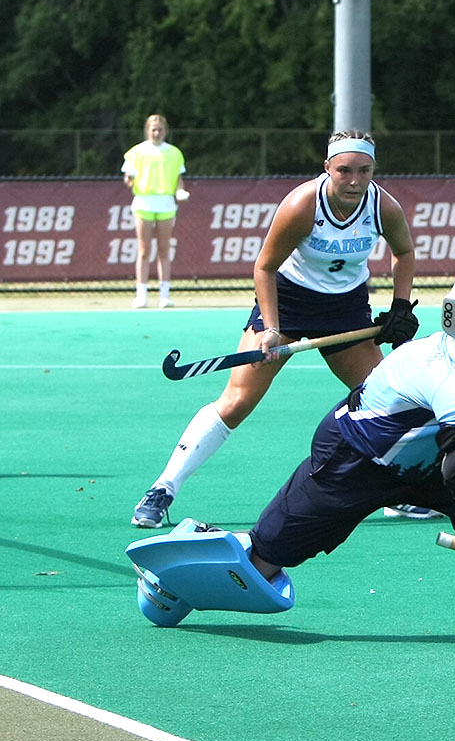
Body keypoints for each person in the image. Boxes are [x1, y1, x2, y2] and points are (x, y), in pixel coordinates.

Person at [127, 260, 455, 625]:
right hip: (352, 462)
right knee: (262, 565)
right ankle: (178, 569)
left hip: (425, 462)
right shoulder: (453, 376)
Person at [132, 129, 419, 529]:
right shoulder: (303, 204)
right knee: (237, 401)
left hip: (345, 309)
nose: (355, 180)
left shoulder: (382, 206)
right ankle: (163, 489)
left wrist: (400, 305)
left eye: (364, 170)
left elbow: (404, 252)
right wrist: (270, 327)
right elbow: (264, 267)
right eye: (344, 170)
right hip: (287, 302)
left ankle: (401, 494)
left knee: (390, 401)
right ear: (327, 168)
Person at [122, 114, 188, 309]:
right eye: (153, 129)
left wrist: (180, 191)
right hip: (144, 203)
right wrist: (130, 179)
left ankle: (164, 295)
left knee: (164, 250)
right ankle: (141, 295)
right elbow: (128, 179)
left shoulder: (174, 153)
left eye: (160, 129)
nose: (157, 133)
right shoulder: (136, 152)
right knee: (144, 250)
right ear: (147, 131)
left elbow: (178, 180)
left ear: (165, 131)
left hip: (166, 204)